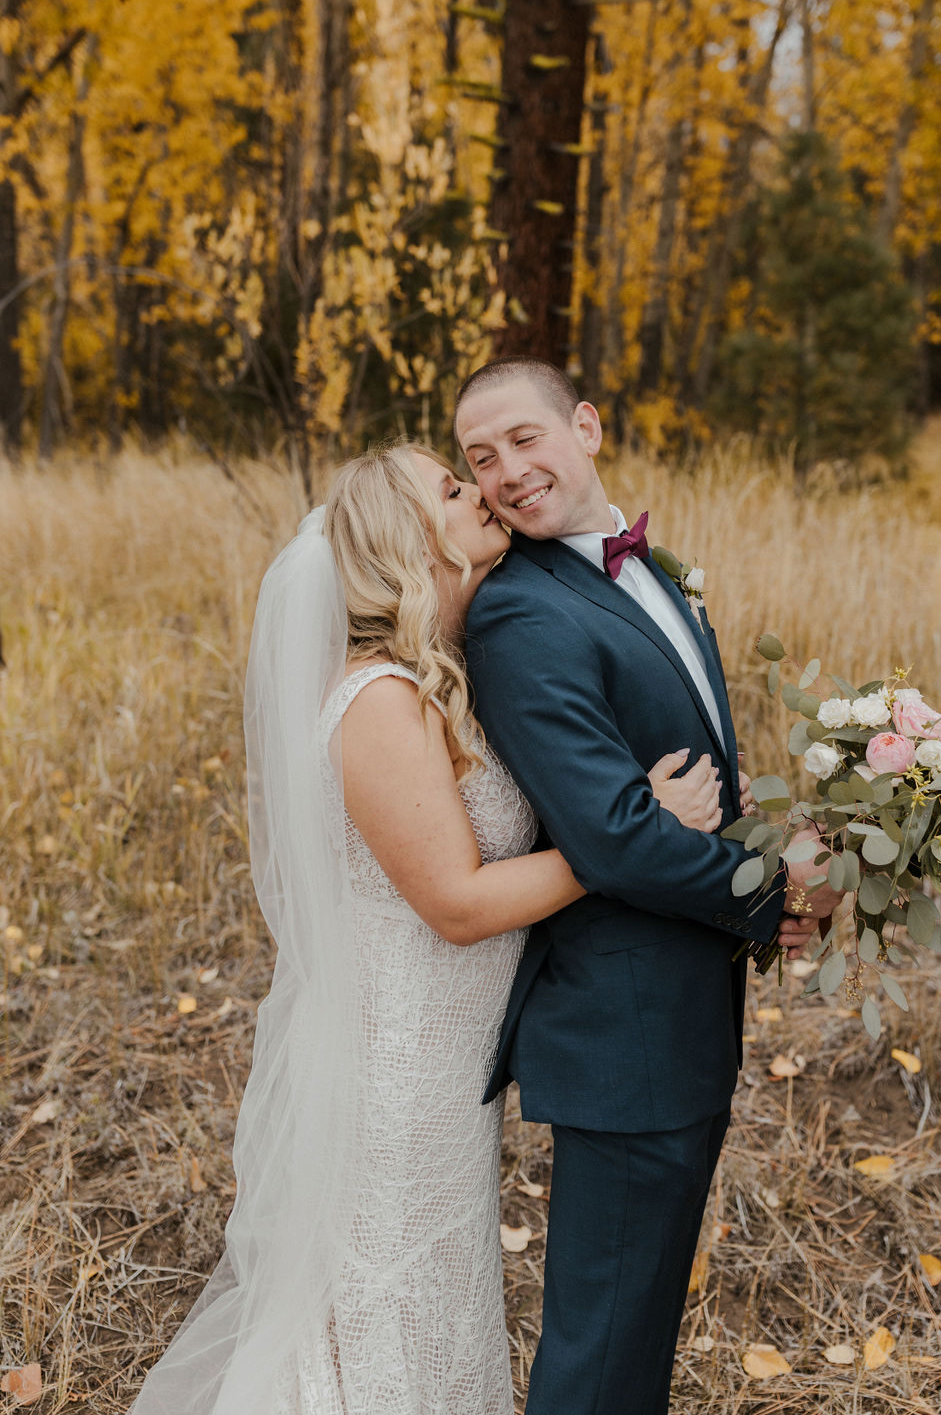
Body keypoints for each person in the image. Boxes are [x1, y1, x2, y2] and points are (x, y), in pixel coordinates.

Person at [130, 442, 726, 1415]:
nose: (477, 490)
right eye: (451, 487)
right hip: (396, 1071)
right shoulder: (378, 701)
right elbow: (454, 903)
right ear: (411, 537)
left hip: (450, 1064)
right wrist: (631, 834)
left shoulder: (437, 677)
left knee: (435, 1294)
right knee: (388, 1304)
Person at [455, 358, 842, 1415]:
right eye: (479, 459)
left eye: (523, 439)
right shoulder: (519, 618)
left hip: (678, 1009)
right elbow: (617, 836)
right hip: (621, 1030)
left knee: (633, 1342)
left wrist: (799, 846)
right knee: (601, 1357)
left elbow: (697, 777)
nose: (505, 472)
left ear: (584, 426)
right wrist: (778, 894)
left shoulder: (649, 570)